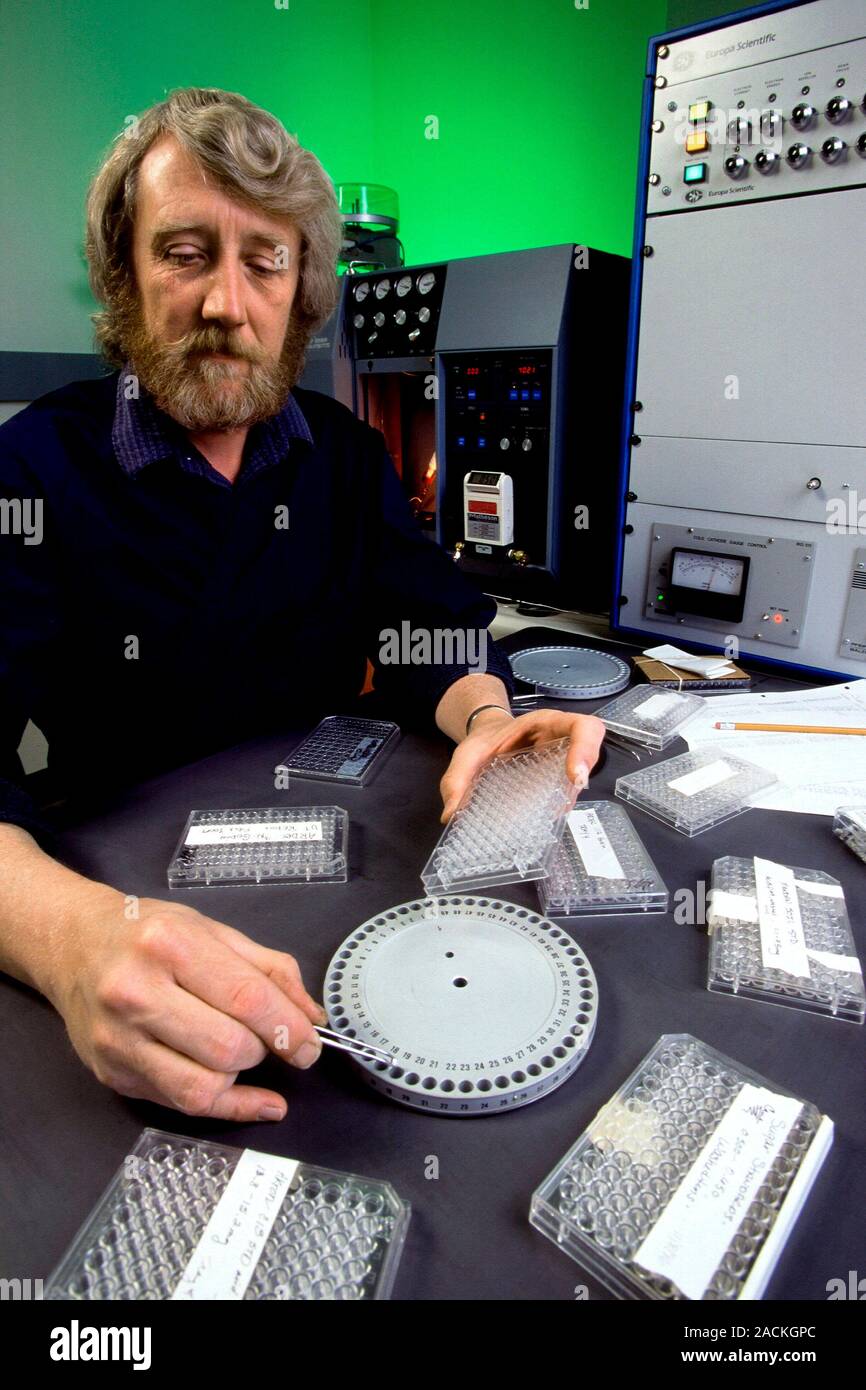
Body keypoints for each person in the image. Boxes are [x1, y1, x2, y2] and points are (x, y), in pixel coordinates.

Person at [0, 87, 604, 1124]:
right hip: (126, 913)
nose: (225, 302)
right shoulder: (31, 472)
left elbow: (433, 632)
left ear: (301, 291)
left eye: (263, 261)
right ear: (124, 276)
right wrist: (70, 939)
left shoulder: (346, 456)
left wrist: (491, 725)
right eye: (184, 252)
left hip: (354, 884)